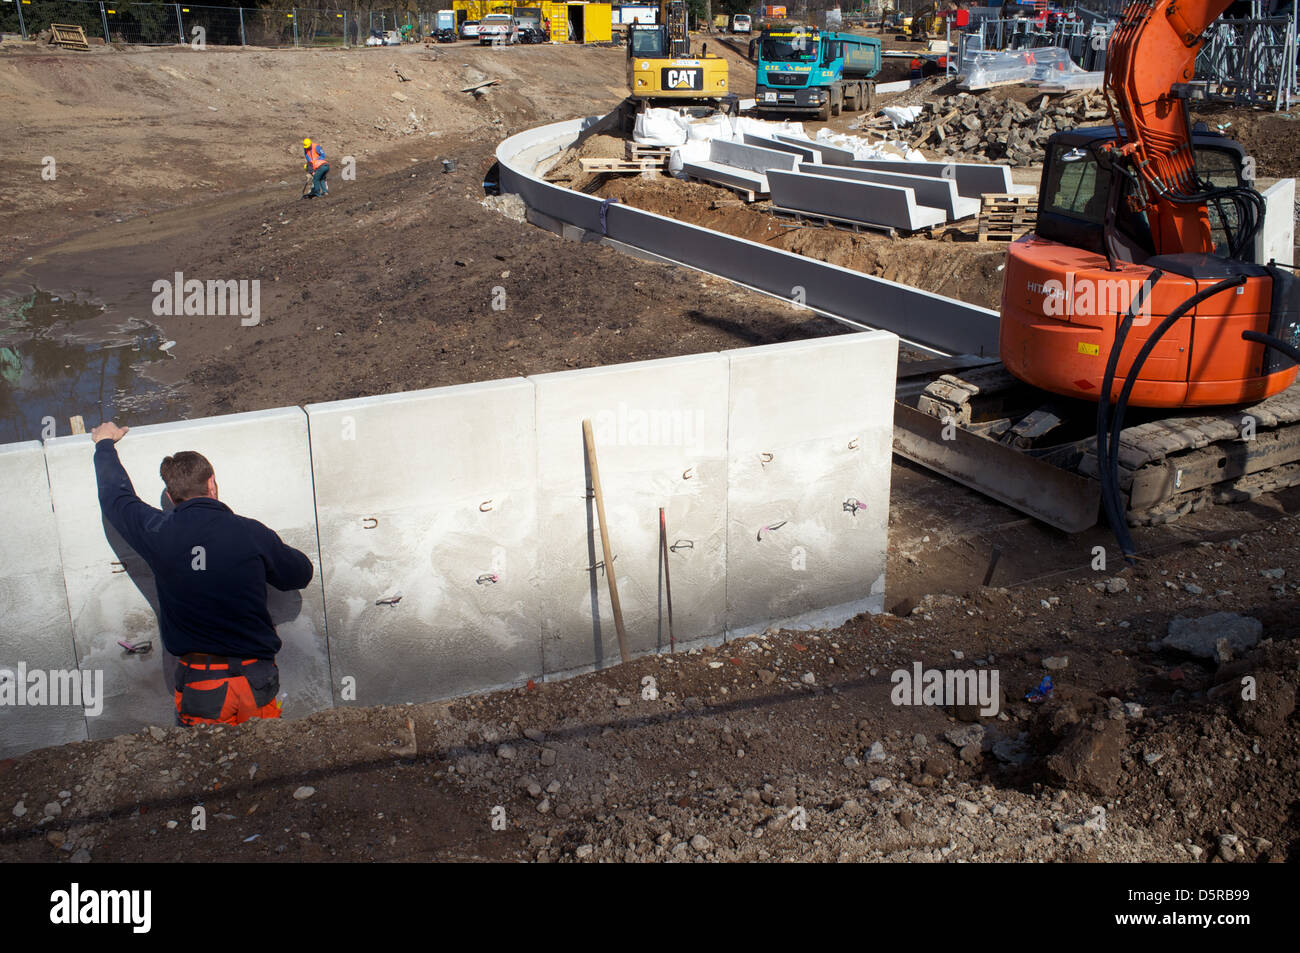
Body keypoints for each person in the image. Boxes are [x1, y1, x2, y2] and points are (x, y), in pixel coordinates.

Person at [90, 421, 314, 728]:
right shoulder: (250, 532)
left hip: (201, 685)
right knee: (265, 765)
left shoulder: (157, 532)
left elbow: (116, 499)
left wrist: (104, 445)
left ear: (170, 496)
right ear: (212, 484)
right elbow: (300, 573)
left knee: (209, 768)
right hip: (255, 682)